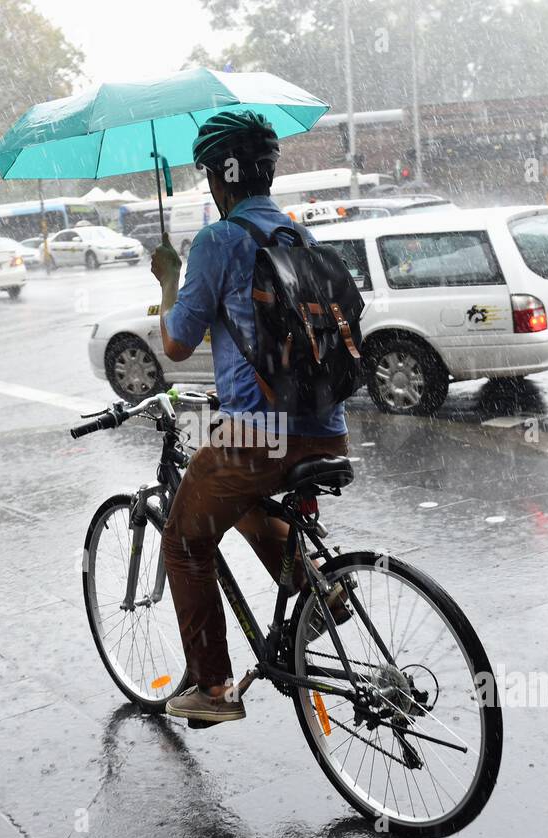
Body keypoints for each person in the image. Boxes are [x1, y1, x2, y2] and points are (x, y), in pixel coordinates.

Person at [150, 109, 349, 724]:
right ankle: (320, 590)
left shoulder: (218, 241)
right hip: (326, 426)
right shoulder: (297, 235)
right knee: (241, 504)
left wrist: (167, 283)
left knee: (184, 541)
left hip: (258, 434)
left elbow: (177, 345)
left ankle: (212, 690)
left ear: (221, 177)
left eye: (209, 172)